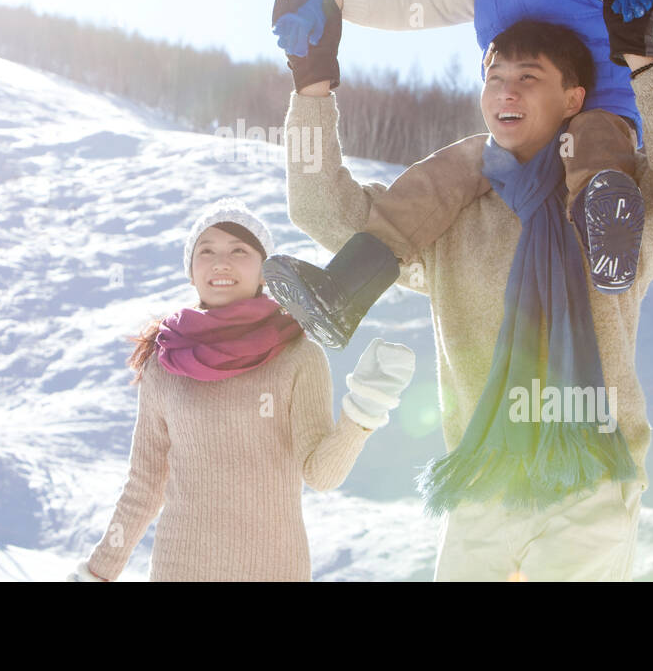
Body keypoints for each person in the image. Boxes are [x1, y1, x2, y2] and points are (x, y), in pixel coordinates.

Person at [277, 9, 653, 580]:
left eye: (529, 77)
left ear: (572, 99)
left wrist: (645, 63)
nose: (505, 91)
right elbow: (321, 209)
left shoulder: (613, 215)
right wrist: (311, 87)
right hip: (482, 485)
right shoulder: (447, 216)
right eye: (494, 77)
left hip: (589, 484)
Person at [265, 0, 653, 348]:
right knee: (452, 167)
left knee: (591, 138)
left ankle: (604, 234)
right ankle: (345, 288)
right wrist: (338, 4)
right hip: (518, 139)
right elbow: (417, 2)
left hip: (596, 110)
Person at [67, 197, 416, 581]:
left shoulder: (297, 355)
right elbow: (145, 485)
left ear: (265, 272)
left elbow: (319, 473)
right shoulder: (165, 361)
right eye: (207, 251)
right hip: (179, 569)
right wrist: (97, 573)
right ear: (191, 269)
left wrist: (365, 407)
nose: (222, 262)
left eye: (239, 250)